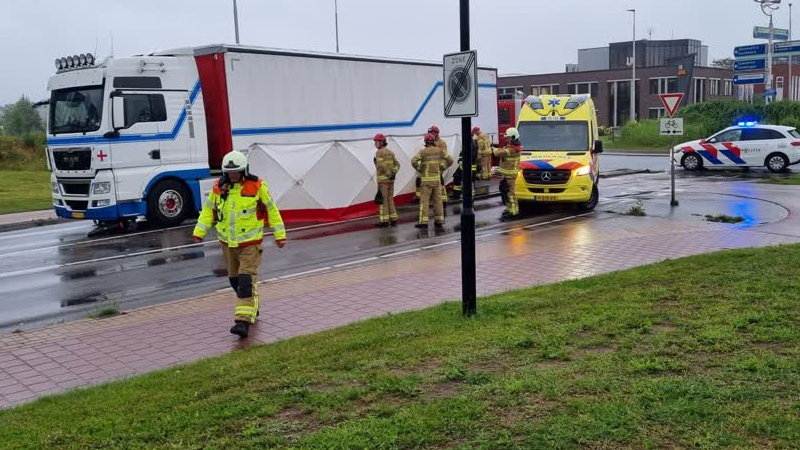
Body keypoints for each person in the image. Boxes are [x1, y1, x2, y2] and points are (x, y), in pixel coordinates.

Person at [192, 150, 286, 338]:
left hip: (250, 244)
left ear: (244, 170)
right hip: (228, 244)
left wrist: (280, 235)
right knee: (235, 281)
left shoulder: (257, 186)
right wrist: (199, 231)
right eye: (230, 172)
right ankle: (252, 305)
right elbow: (209, 210)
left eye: (236, 172)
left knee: (245, 282)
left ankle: (242, 322)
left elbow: (272, 210)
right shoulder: (219, 187)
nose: (233, 175)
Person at [411, 133, 453, 229]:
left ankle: (423, 222)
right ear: (433, 141)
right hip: (437, 180)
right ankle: (439, 220)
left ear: (425, 141)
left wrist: (419, 169)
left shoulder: (423, 152)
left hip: (426, 181)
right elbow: (450, 160)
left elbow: (413, 161)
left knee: (424, 201)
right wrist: (443, 167)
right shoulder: (440, 151)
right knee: (438, 200)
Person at [493, 127, 522, 221]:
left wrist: (493, 148)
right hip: (507, 175)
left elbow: (498, 154)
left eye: (508, 137)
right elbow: (503, 150)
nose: (506, 139)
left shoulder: (512, 149)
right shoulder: (513, 147)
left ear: (512, 137)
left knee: (511, 195)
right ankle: (510, 209)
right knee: (506, 194)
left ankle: (513, 212)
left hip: (510, 176)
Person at [373, 133, 400, 227]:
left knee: (383, 201)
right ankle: (393, 219)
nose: (375, 144)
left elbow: (381, 165)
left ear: (381, 142)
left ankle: (384, 221)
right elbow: (397, 164)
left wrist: (388, 174)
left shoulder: (379, 152)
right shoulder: (390, 152)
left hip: (383, 181)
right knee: (390, 199)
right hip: (391, 181)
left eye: (376, 142)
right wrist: (393, 173)